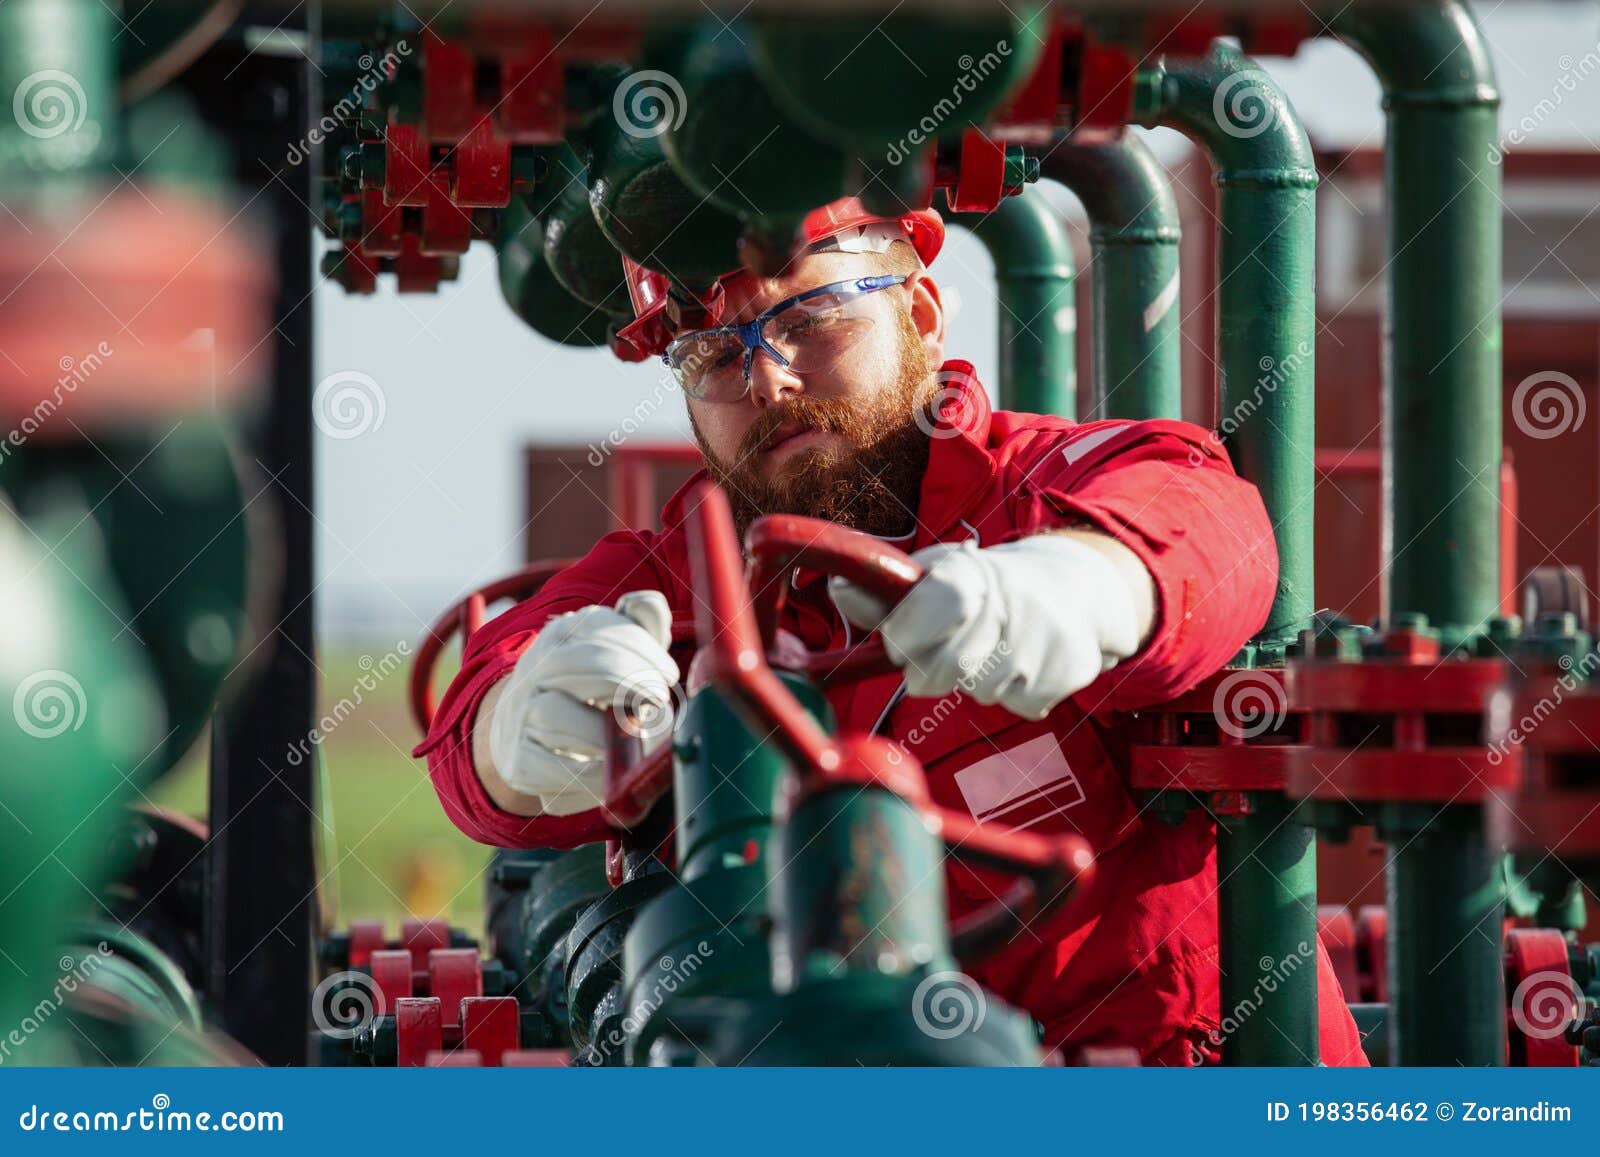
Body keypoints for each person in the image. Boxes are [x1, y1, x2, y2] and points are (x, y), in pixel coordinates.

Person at [416, 198, 1367, 1065]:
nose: (769, 379)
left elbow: (1205, 527)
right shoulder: (677, 577)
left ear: (919, 314)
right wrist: (515, 729)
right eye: (711, 353)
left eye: (808, 320)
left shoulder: (1048, 491)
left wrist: (1087, 587)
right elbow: (477, 726)